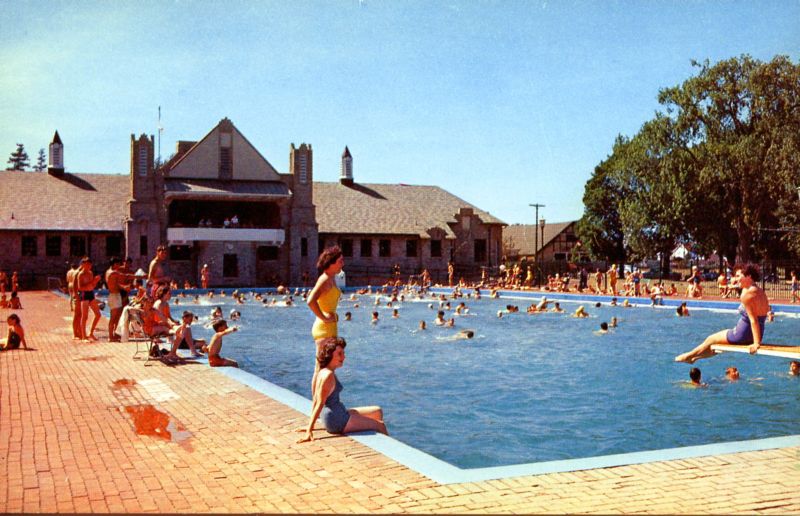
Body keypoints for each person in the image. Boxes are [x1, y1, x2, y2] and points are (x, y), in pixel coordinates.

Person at [675, 264, 770, 363]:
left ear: (748, 276)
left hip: (743, 333)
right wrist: (732, 285)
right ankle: (694, 358)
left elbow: (753, 320)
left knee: (711, 339)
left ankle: (688, 356)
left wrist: (756, 344)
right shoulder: (759, 291)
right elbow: (761, 315)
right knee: (717, 345)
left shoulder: (747, 295)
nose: (735, 279)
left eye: (738, 276)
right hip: (756, 333)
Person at [297, 338, 387, 443]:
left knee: (377, 411)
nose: (343, 357)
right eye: (339, 354)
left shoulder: (322, 371)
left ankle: (376, 443)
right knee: (380, 425)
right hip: (337, 420)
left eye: (343, 353)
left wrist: (311, 425)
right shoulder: (328, 375)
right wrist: (309, 430)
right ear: (330, 354)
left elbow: (316, 399)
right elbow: (319, 403)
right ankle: (392, 455)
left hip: (337, 414)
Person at [76, 257, 102, 341]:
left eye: (90, 265)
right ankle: (84, 336)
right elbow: (80, 288)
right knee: (85, 316)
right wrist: (91, 283)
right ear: (83, 265)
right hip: (84, 295)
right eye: (87, 264)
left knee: (98, 314)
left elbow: (92, 285)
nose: (88, 266)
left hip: (91, 294)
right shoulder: (80, 274)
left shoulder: (90, 273)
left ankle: (91, 333)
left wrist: (95, 281)